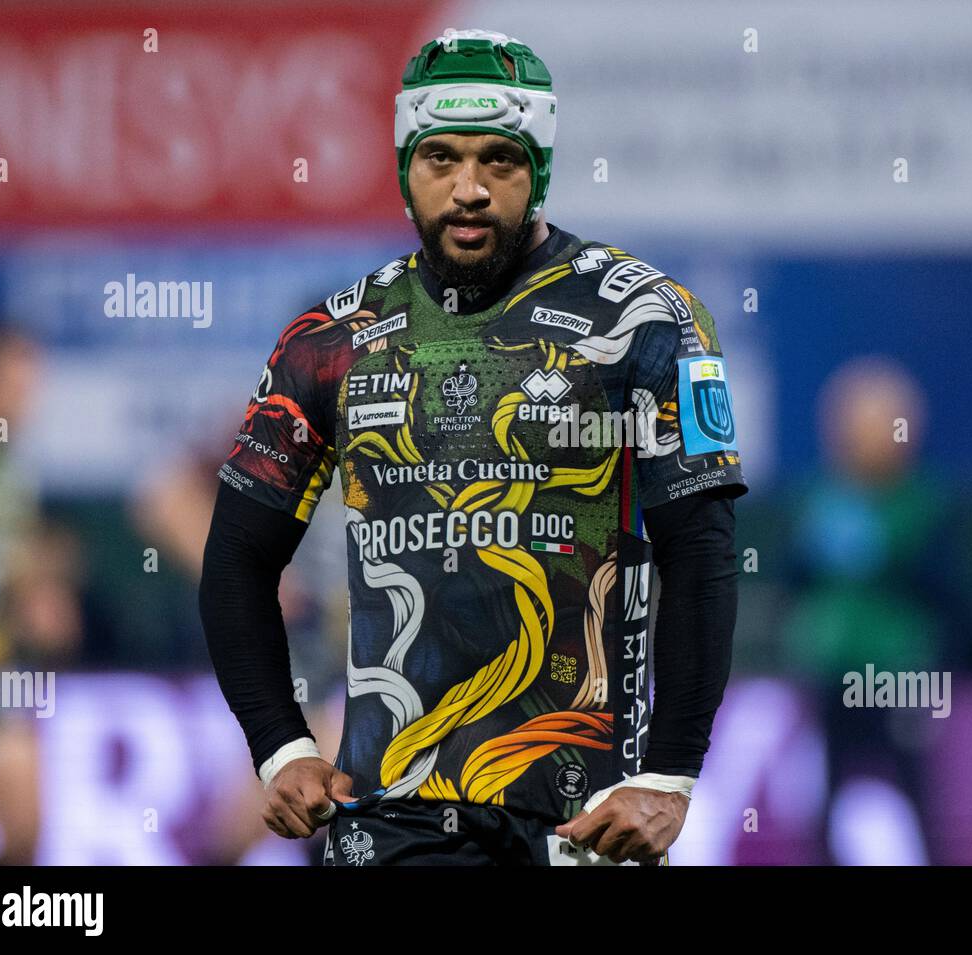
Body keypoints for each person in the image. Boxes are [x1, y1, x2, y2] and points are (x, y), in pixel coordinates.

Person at [199, 29, 749, 866]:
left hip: (590, 818)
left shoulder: (646, 320)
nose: (468, 190)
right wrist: (280, 744)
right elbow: (237, 558)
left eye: (500, 161)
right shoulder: (333, 339)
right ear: (401, 169)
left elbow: (702, 558)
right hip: (392, 815)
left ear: (541, 172)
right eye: (440, 159)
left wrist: (669, 778)